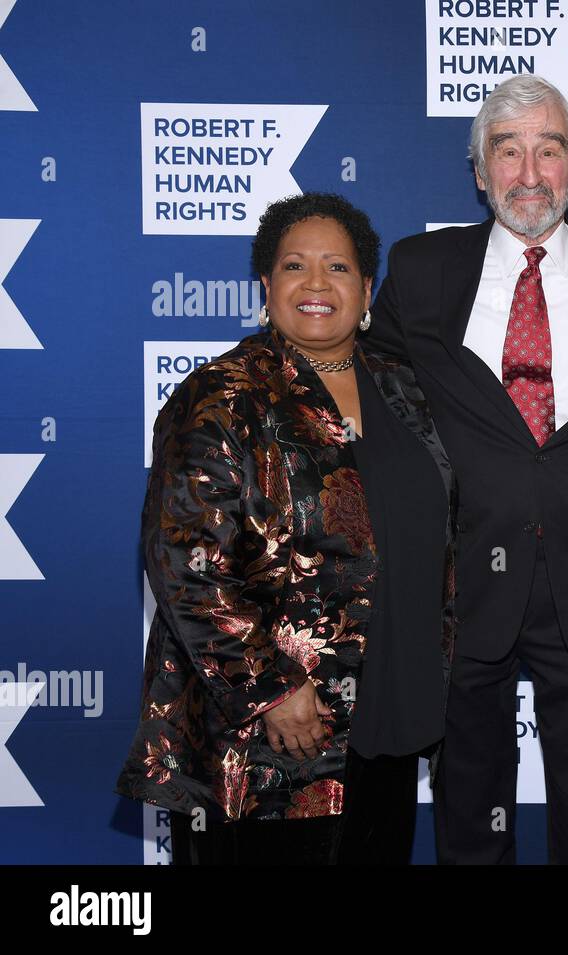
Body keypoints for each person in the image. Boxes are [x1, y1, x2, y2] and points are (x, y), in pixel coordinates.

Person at [117, 193, 456, 865]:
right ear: (266, 286)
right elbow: (184, 561)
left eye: (339, 267)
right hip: (271, 740)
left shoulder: (404, 388)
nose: (317, 284)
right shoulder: (220, 395)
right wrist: (269, 685)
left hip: (389, 722)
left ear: (366, 289)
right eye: (295, 266)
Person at [366, 75, 568, 864]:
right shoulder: (421, 269)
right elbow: (373, 402)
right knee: (468, 807)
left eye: (549, 150)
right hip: (459, 583)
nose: (529, 173)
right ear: (479, 171)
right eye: (507, 150)